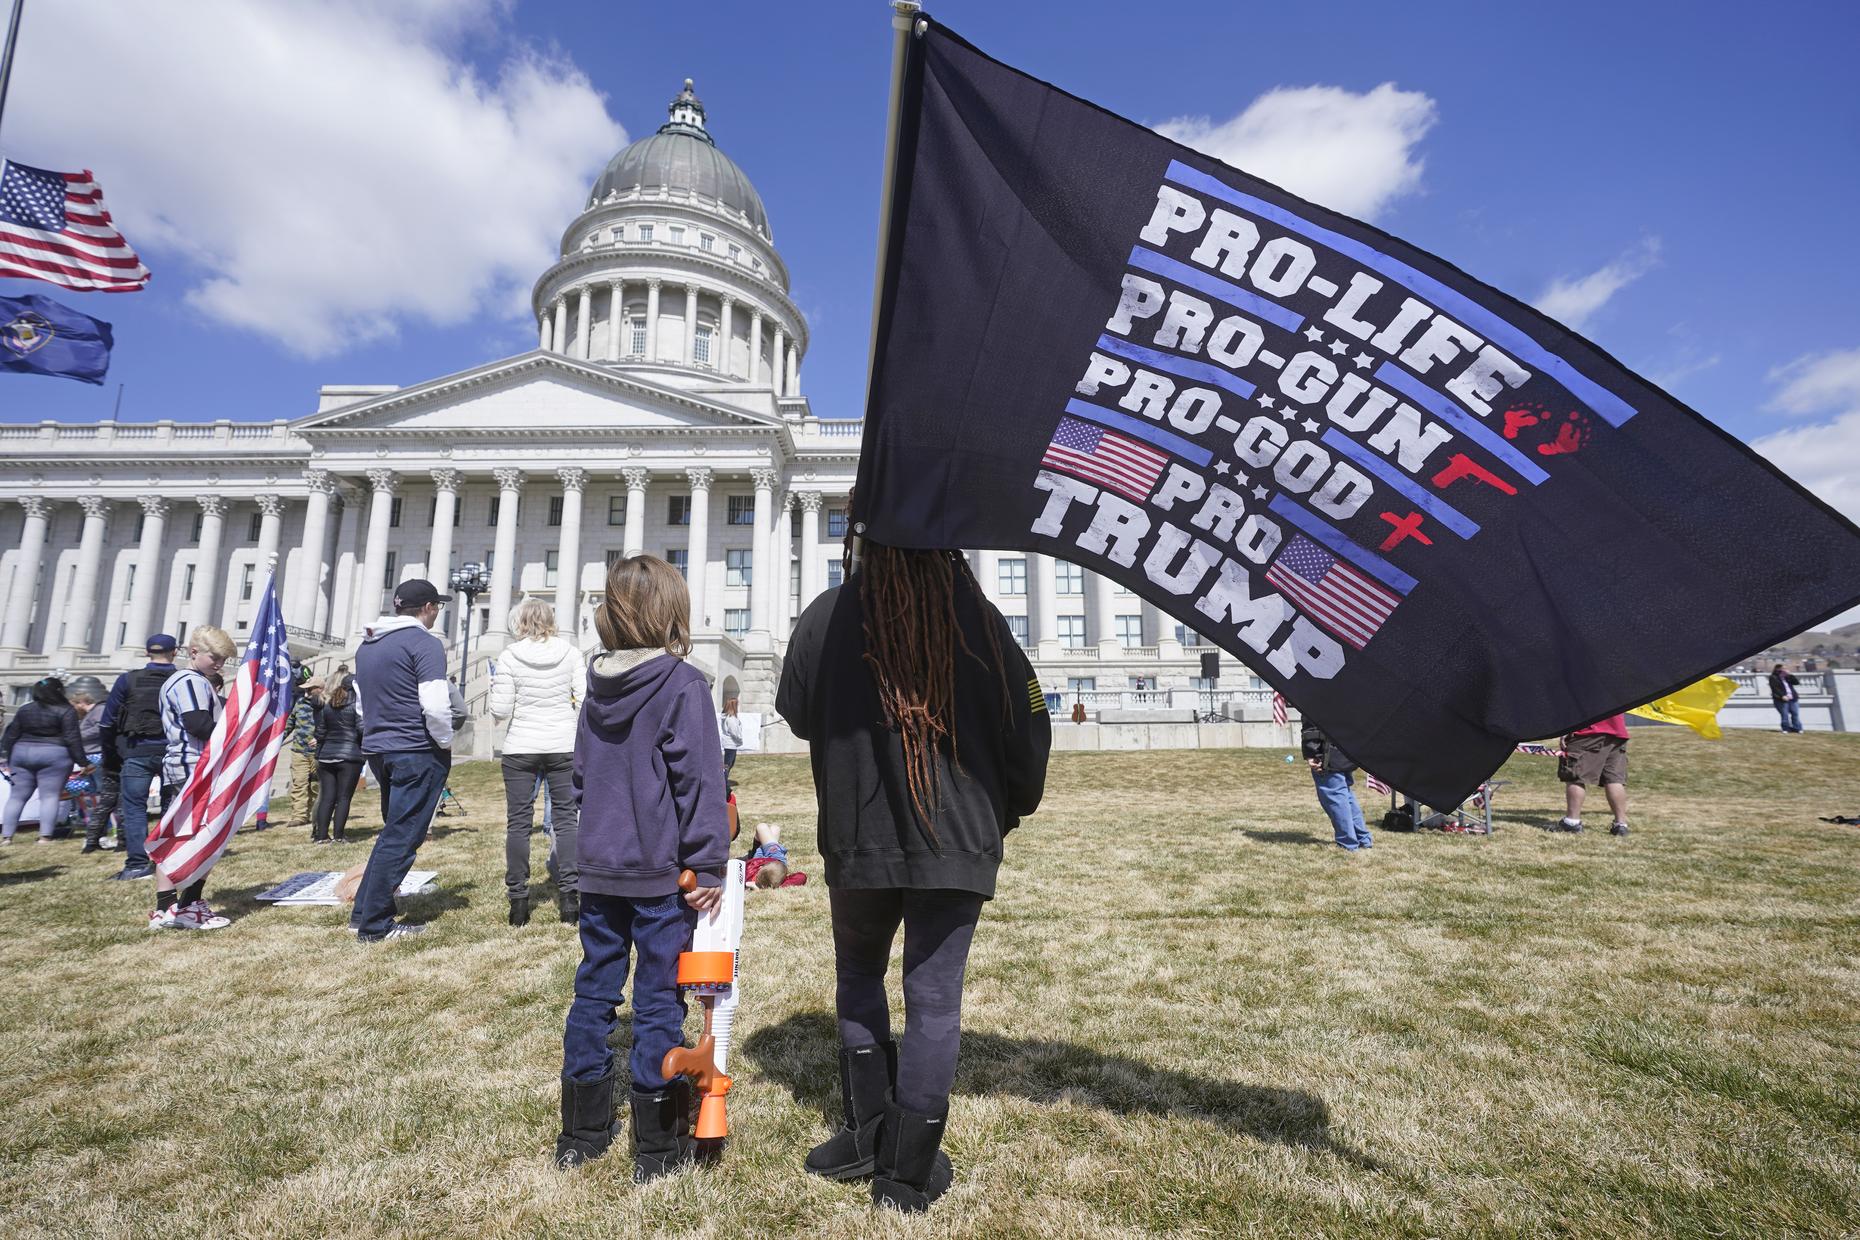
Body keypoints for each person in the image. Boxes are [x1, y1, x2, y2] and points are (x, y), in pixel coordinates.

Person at [776, 539, 1051, 1214]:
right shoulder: (980, 619)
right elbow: (1029, 732)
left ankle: (874, 1138)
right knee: (932, 999)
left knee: (861, 977)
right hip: (954, 836)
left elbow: (797, 711)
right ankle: (900, 1172)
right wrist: (1007, 808)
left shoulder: (827, 614)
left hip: (860, 831)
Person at [554, 555, 729, 1180]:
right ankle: (655, 1145)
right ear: (670, 612)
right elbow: (701, 782)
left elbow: (578, 776)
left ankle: (581, 1131)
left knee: (594, 992)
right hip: (659, 875)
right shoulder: (683, 685)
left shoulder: (595, 684)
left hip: (599, 867)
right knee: (658, 1001)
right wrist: (708, 863)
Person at [350, 579, 455, 943]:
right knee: (403, 836)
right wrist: (444, 741)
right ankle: (375, 925)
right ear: (427, 607)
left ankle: (364, 910)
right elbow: (436, 704)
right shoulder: (423, 643)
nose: (437, 612)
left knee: (392, 833)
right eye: (436, 606)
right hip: (416, 747)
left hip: (380, 746)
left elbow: (362, 703)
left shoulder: (368, 645)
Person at [488, 598, 586, 927]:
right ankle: (570, 900)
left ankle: (518, 901)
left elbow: (501, 709)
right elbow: (585, 698)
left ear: (519, 622)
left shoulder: (509, 656)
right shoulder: (570, 652)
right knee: (566, 821)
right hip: (562, 743)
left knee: (518, 824)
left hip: (521, 746)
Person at [148, 626, 236, 930]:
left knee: (180, 835)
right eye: (215, 657)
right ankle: (184, 905)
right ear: (193, 652)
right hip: (194, 766)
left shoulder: (189, 681)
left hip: (186, 765)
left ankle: (169, 907)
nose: (219, 664)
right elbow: (199, 724)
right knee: (201, 836)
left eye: (223, 659)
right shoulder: (190, 681)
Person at [95, 634, 181, 880]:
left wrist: (111, 755)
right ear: (175, 652)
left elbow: (107, 722)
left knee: (134, 808)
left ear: (146, 653)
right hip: (172, 751)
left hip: (136, 750)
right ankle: (169, 859)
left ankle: (136, 864)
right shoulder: (182, 679)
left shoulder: (128, 680)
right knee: (171, 807)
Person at [2, 677, 91, 845]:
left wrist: (6, 753)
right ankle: (45, 837)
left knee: (17, 797)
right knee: (49, 796)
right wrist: (83, 762)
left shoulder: (25, 709)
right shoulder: (66, 710)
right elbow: (72, 738)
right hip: (54, 754)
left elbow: (11, 733)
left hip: (21, 753)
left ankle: (7, 837)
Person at [1554, 713, 1631, 836]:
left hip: (1588, 732)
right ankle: (1621, 824)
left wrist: (1566, 730)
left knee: (1575, 777)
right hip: (1617, 732)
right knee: (1614, 780)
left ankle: (1572, 822)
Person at [1301, 722, 1372, 852]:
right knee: (1346, 795)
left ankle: (1348, 844)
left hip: (1327, 751)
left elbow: (1312, 723)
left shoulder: (1316, 700)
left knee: (1335, 797)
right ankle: (1363, 839)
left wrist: (1312, 752)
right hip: (1346, 748)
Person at [68, 676, 118, 852]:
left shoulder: (99, 710)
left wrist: (76, 734)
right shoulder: (95, 712)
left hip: (96, 755)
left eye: (74, 705)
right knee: (95, 795)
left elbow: (100, 728)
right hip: (92, 755)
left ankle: (107, 829)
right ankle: (99, 829)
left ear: (81, 702)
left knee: (102, 795)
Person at [312, 676, 364, 844]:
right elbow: (361, 729)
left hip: (327, 755)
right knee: (343, 798)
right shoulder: (357, 706)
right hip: (349, 755)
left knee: (327, 797)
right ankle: (339, 836)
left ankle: (321, 836)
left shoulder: (329, 705)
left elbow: (320, 732)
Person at [286, 672, 324, 827]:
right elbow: (290, 723)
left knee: (317, 787)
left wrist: (321, 739)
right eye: (305, 689)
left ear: (319, 689)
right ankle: (299, 816)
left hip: (319, 753)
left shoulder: (326, 705)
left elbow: (334, 727)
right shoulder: (300, 703)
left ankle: (317, 814)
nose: (306, 691)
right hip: (299, 751)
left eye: (310, 688)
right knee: (299, 784)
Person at [743, 821, 806, 889]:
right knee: (772, 828)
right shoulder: (777, 883)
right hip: (775, 857)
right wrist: (779, 886)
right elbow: (801, 877)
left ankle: (757, 845)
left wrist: (750, 885)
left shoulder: (748, 877)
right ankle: (758, 844)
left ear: (760, 869)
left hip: (757, 860)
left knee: (763, 827)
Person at [1769, 663, 1803, 733]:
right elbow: (1775, 688)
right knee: (1784, 715)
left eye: (1786, 668)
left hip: (1793, 698)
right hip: (1781, 699)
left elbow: (1796, 682)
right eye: (1783, 668)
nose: (1785, 670)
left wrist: (1790, 675)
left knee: (1795, 714)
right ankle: (1785, 728)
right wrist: (1782, 695)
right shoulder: (1773, 677)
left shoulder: (1787, 677)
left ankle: (1797, 728)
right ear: (1778, 669)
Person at [720, 697, 744, 774]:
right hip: (730, 744)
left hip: (730, 744)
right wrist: (740, 740)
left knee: (728, 765)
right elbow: (734, 733)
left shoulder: (728, 718)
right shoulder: (731, 719)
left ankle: (724, 782)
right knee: (727, 766)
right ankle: (724, 784)